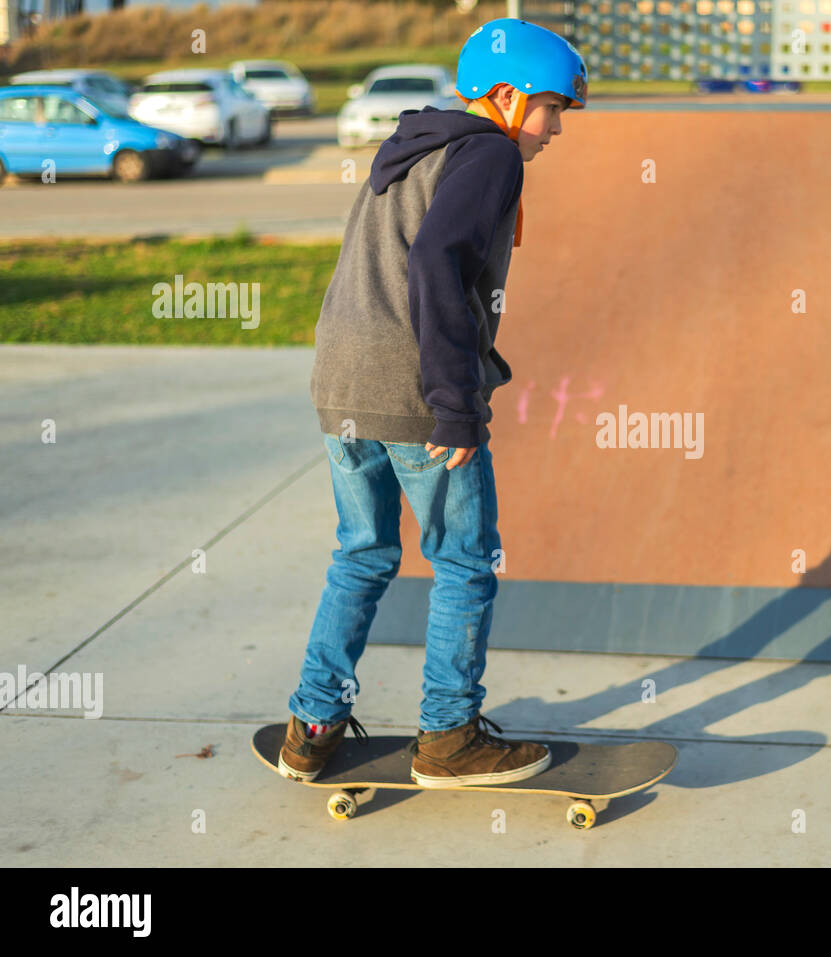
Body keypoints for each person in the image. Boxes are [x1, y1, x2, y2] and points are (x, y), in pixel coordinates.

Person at [278, 18, 588, 787]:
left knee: (362, 552)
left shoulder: (413, 147)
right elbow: (435, 267)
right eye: (552, 108)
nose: (555, 129)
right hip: (415, 390)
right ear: (508, 98)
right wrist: (455, 402)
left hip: (342, 382)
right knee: (464, 560)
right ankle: (450, 735)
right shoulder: (487, 154)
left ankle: (312, 725)